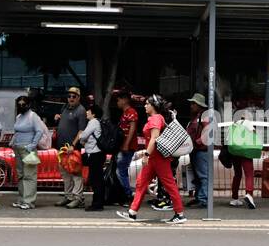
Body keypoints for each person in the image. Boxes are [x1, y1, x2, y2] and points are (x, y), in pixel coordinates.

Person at [118, 95, 185, 224]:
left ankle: (180, 213)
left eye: (147, 104)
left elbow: (154, 138)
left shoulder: (155, 119)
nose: (145, 106)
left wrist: (146, 154)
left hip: (157, 158)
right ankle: (132, 212)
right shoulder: (156, 118)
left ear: (153, 106)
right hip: (155, 158)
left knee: (168, 185)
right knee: (141, 183)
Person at [9, 94, 48, 210]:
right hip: (18, 148)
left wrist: (32, 145)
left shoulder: (33, 116)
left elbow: (39, 131)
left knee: (29, 175)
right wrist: (13, 142)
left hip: (28, 149)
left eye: (23, 104)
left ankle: (29, 201)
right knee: (21, 175)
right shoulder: (19, 116)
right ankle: (22, 199)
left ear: (28, 104)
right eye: (19, 104)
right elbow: (16, 132)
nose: (21, 106)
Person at [55, 86, 86, 208]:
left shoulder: (81, 110)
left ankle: (78, 198)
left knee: (75, 173)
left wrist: (73, 145)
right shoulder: (65, 108)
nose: (71, 98)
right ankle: (68, 196)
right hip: (62, 147)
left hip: (72, 148)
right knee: (65, 173)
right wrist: (59, 117)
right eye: (69, 96)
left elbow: (81, 130)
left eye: (74, 96)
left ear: (78, 97)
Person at [75, 103, 107, 211]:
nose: (86, 112)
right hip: (98, 153)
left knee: (96, 180)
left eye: (88, 111)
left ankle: (97, 204)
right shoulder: (97, 122)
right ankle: (99, 202)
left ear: (93, 113)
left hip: (95, 154)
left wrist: (81, 136)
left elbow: (83, 136)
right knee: (97, 179)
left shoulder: (93, 122)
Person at [185, 93, 212, 209]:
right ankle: (199, 197)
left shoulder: (204, 117)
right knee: (198, 175)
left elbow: (208, 132)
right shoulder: (198, 117)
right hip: (196, 150)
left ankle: (203, 199)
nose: (191, 106)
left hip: (201, 150)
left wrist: (198, 142)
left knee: (203, 176)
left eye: (193, 104)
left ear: (199, 105)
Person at [228, 115, 258, 210]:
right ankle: (249, 194)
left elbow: (228, 140)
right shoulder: (247, 123)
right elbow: (254, 134)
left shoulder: (232, 126)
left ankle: (235, 198)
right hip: (245, 151)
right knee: (249, 174)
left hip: (235, 152)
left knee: (237, 174)